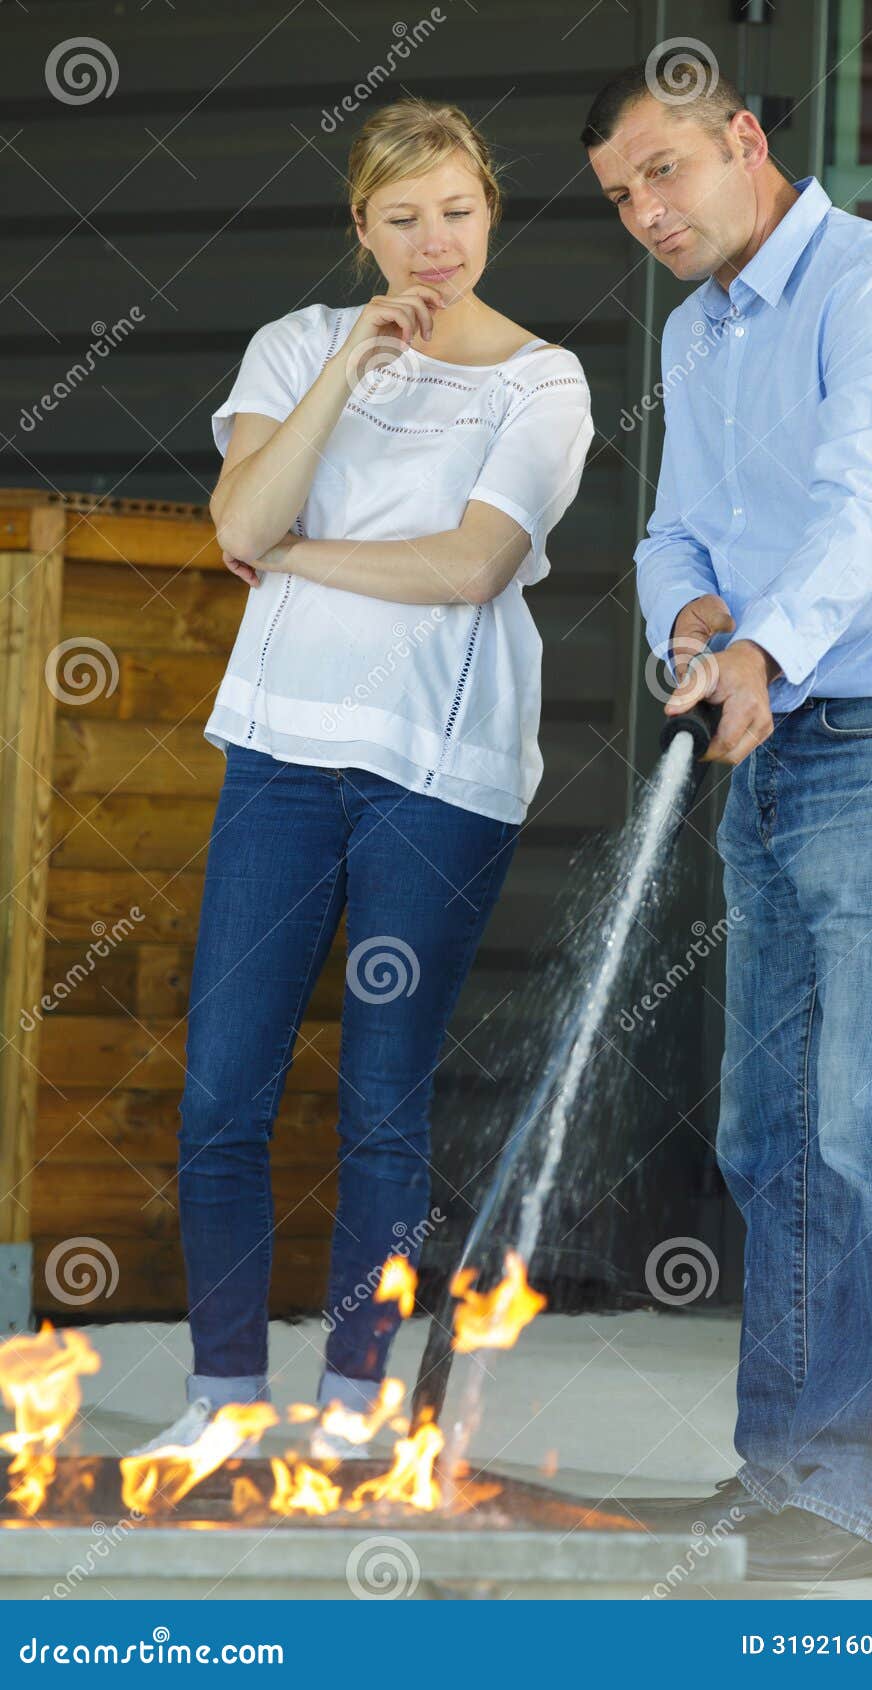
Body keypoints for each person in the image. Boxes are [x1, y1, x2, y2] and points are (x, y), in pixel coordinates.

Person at [582, 56, 872, 1579]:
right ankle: (783, 1467)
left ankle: (862, 1489)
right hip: (767, 750)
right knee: (769, 1133)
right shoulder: (702, 336)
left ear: (745, 141)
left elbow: (865, 512)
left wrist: (761, 648)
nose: (647, 210)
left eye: (665, 171)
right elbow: (672, 529)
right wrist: (699, 615)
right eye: (620, 193)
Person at [129, 97, 593, 1461]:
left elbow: (469, 566)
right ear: (361, 228)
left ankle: (353, 1398)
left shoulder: (542, 381)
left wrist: (301, 559)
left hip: (436, 775)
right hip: (279, 752)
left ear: (489, 214)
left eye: (455, 213)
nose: (431, 244)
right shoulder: (293, 346)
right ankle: (221, 1398)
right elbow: (237, 518)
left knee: (381, 1095)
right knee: (224, 1090)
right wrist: (345, 363)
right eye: (401, 220)